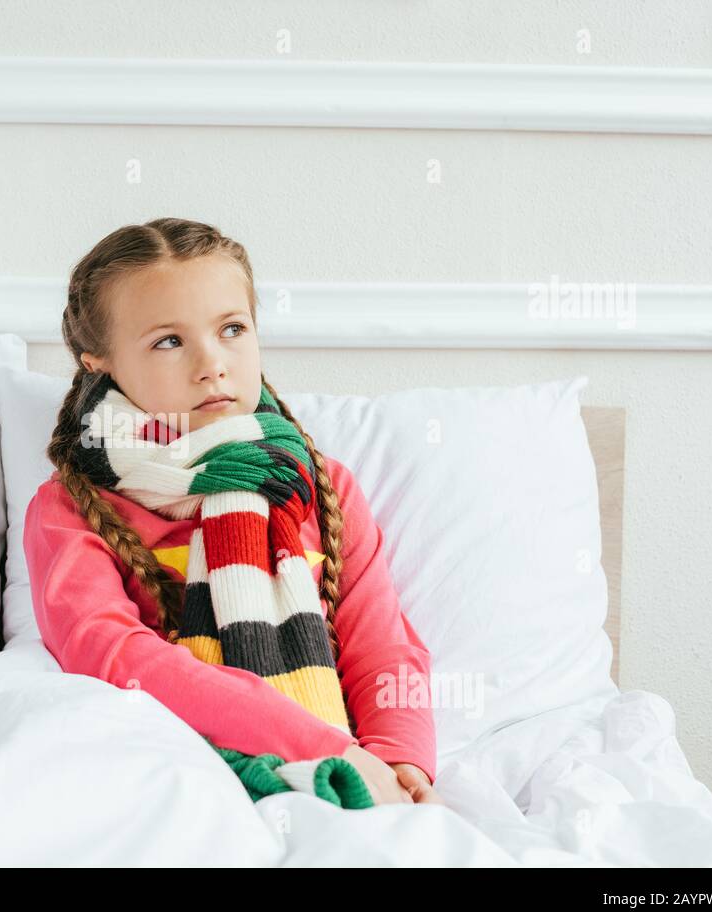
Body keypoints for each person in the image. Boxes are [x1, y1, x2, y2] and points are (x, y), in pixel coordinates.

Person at [23, 217, 440, 807]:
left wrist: (401, 768)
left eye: (232, 329)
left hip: (352, 770)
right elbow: (115, 658)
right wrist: (326, 748)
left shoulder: (318, 485)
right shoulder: (71, 508)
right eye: (169, 341)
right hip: (182, 777)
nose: (211, 364)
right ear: (99, 362)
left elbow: (382, 648)